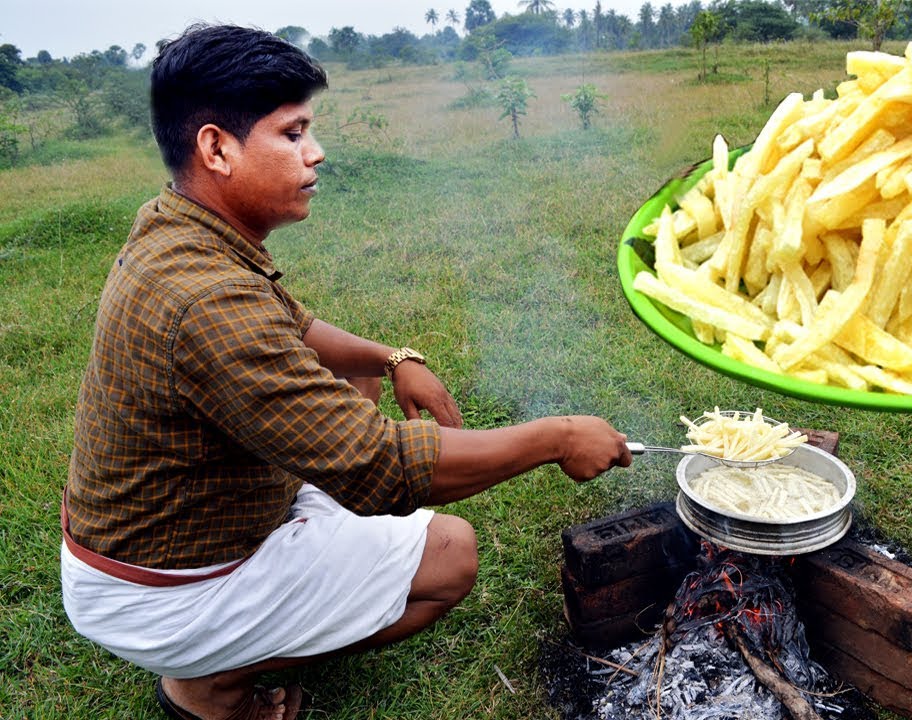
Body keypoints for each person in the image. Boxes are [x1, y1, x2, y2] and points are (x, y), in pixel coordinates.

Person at [59, 23, 632, 720]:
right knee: (450, 555)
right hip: (167, 587)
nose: (316, 152)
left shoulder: (179, 227)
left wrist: (392, 359)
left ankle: (232, 641)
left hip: (168, 535)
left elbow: (292, 325)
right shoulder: (205, 299)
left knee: (352, 387)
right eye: (293, 134)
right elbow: (379, 468)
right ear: (217, 148)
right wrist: (558, 437)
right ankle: (214, 683)